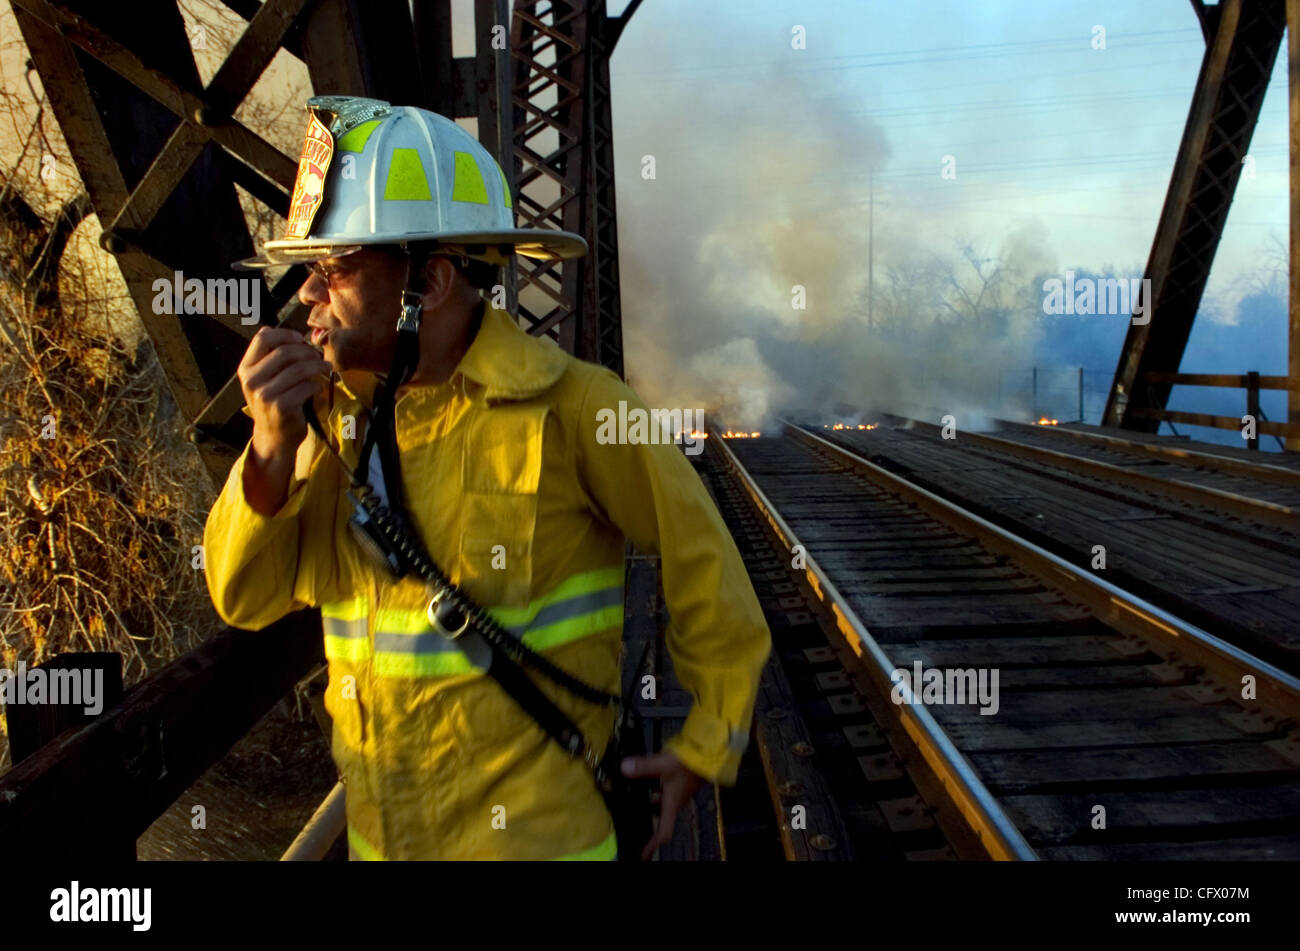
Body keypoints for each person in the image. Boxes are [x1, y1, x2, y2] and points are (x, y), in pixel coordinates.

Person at [203, 95, 771, 860]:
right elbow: (243, 598)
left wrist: (706, 743)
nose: (307, 293)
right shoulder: (333, 422)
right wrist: (270, 452)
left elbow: (707, 562)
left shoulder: (575, 407)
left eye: (334, 268)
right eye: (309, 270)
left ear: (429, 284)